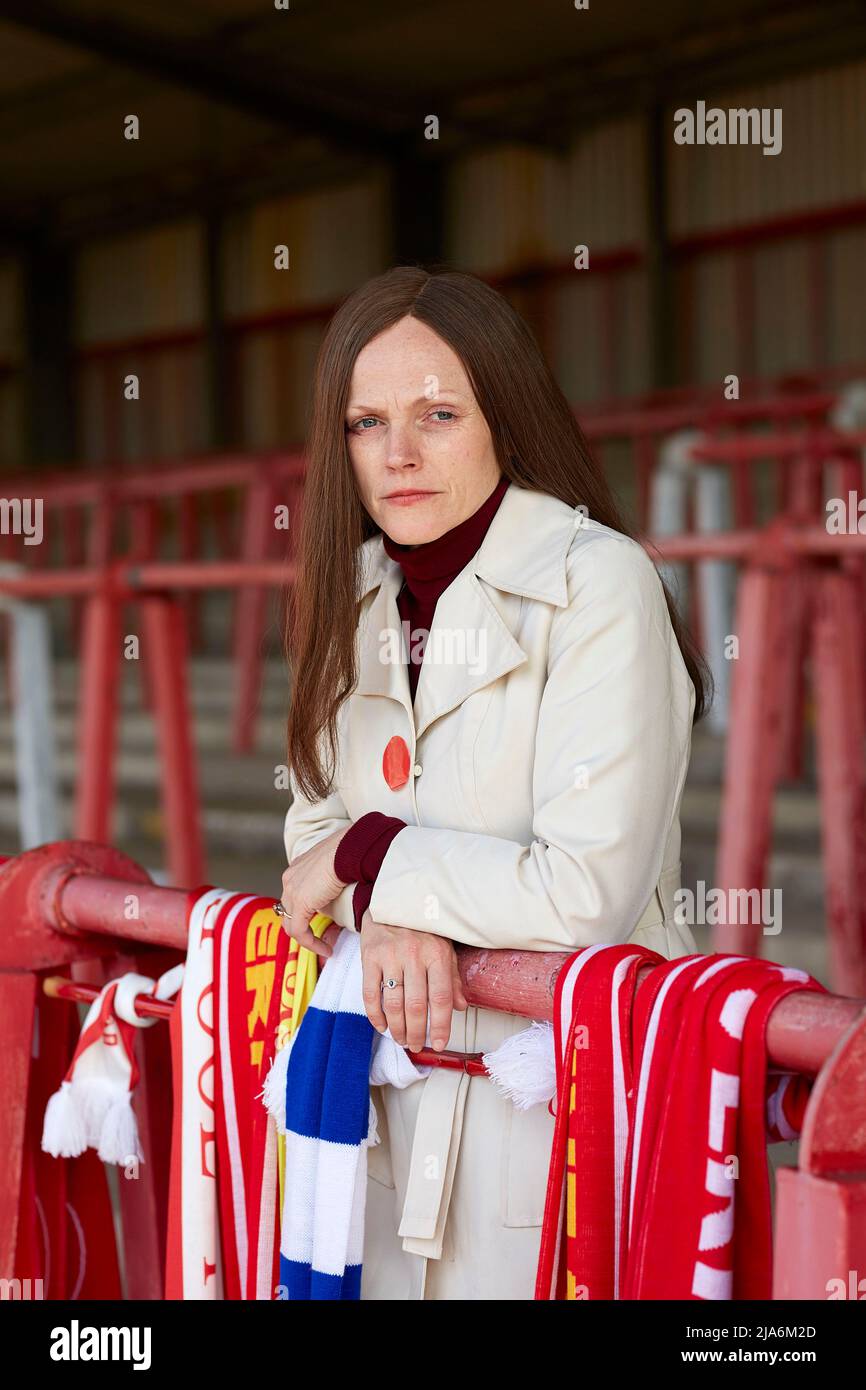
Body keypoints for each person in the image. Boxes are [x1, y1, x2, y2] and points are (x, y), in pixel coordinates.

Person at [278, 265, 710, 1300]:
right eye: (366, 421)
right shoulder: (353, 597)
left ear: (503, 417)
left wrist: (375, 860)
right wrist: (382, 902)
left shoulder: (598, 583)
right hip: (382, 1122)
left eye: (436, 413)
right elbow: (307, 852)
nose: (398, 453)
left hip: (562, 1128)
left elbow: (579, 891)